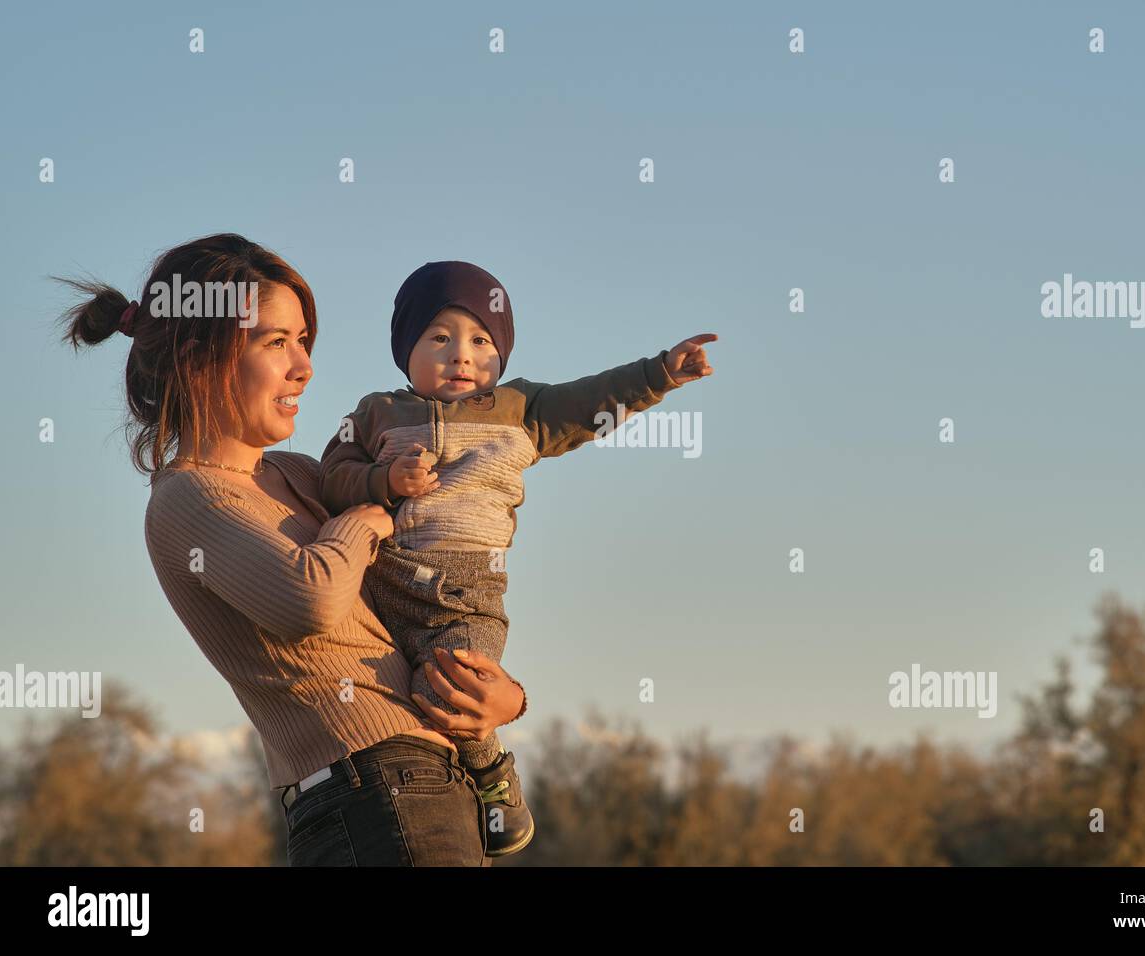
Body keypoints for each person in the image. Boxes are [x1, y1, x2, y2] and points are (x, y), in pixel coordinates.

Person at [58, 233, 525, 866]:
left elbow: (414, 602)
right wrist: (362, 520)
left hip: (431, 783)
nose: (303, 366)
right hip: (367, 795)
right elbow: (311, 598)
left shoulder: (303, 475)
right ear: (200, 357)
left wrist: (503, 702)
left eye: (304, 341)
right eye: (276, 342)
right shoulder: (189, 498)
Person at [319, 259, 717, 855]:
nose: (461, 355)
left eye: (481, 341)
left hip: (470, 590)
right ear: (406, 352)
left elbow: (591, 399)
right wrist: (382, 480)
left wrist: (659, 373)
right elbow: (333, 475)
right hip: (385, 581)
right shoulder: (374, 411)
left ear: (501, 356)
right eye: (440, 337)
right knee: (397, 708)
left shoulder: (520, 410)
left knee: (452, 686)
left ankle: (492, 777)